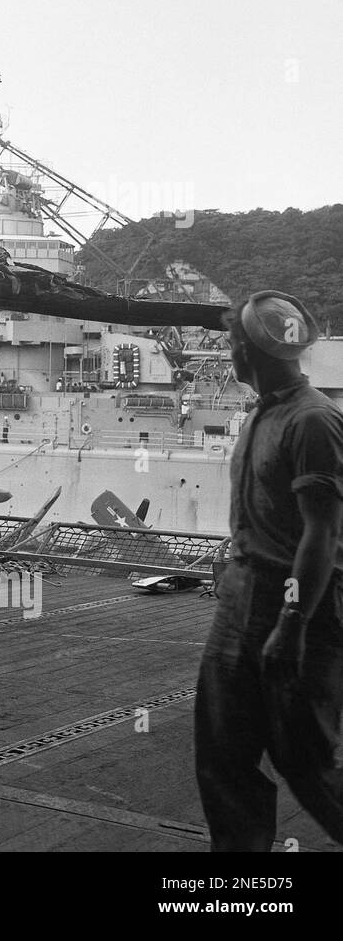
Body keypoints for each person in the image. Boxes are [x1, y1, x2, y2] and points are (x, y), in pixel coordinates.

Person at [194, 291, 343, 851]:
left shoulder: (313, 422)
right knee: (223, 755)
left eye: (232, 344)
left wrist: (294, 621)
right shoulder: (265, 413)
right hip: (240, 596)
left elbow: (322, 534)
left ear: (243, 353)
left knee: (307, 761)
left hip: (298, 604)